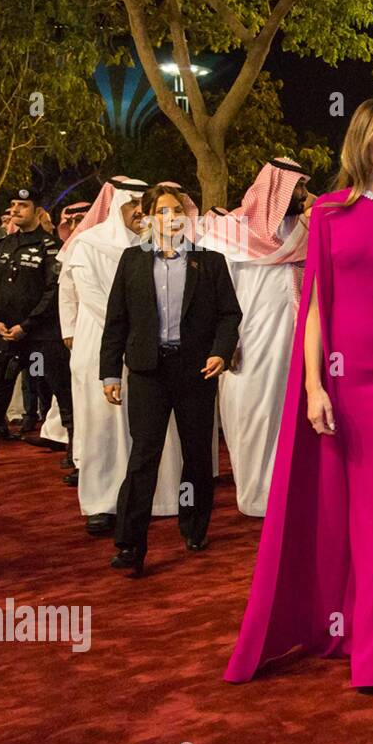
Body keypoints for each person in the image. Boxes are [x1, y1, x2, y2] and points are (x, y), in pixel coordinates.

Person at [225, 98, 373, 700]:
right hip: (347, 377)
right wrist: (312, 384)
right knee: (357, 509)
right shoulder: (327, 212)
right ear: (362, 140)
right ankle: (357, 625)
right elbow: (315, 308)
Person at [100, 183, 240, 576]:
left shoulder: (209, 262)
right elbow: (116, 320)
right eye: (161, 211)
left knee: (197, 456)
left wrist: (220, 351)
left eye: (176, 210)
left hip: (196, 371)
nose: (170, 218)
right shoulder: (131, 261)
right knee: (144, 456)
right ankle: (130, 544)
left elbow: (230, 314)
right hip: (147, 372)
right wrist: (110, 371)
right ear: (147, 218)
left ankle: (194, 527)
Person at [59, 177, 186, 535]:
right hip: (103, 346)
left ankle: (156, 499)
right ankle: (102, 503)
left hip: (148, 348)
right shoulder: (87, 244)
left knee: (147, 429)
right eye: (133, 207)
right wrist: (138, 328)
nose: (140, 214)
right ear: (116, 208)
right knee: (104, 427)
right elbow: (95, 299)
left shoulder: (155, 244)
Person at [199, 158, 312, 517]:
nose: (305, 196)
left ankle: (286, 493)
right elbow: (212, 297)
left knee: (289, 415)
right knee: (251, 416)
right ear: (276, 190)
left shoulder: (302, 234)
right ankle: (255, 496)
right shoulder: (230, 233)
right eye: (298, 188)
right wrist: (223, 341)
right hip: (246, 344)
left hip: (294, 342)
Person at [0, 188, 73, 463]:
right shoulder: (4, 244)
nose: (14, 209)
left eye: (22, 205)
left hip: (41, 337)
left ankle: (77, 455)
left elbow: (53, 291)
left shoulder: (51, 248)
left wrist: (27, 324)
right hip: (8, 336)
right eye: (13, 204)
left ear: (38, 212)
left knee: (63, 394)